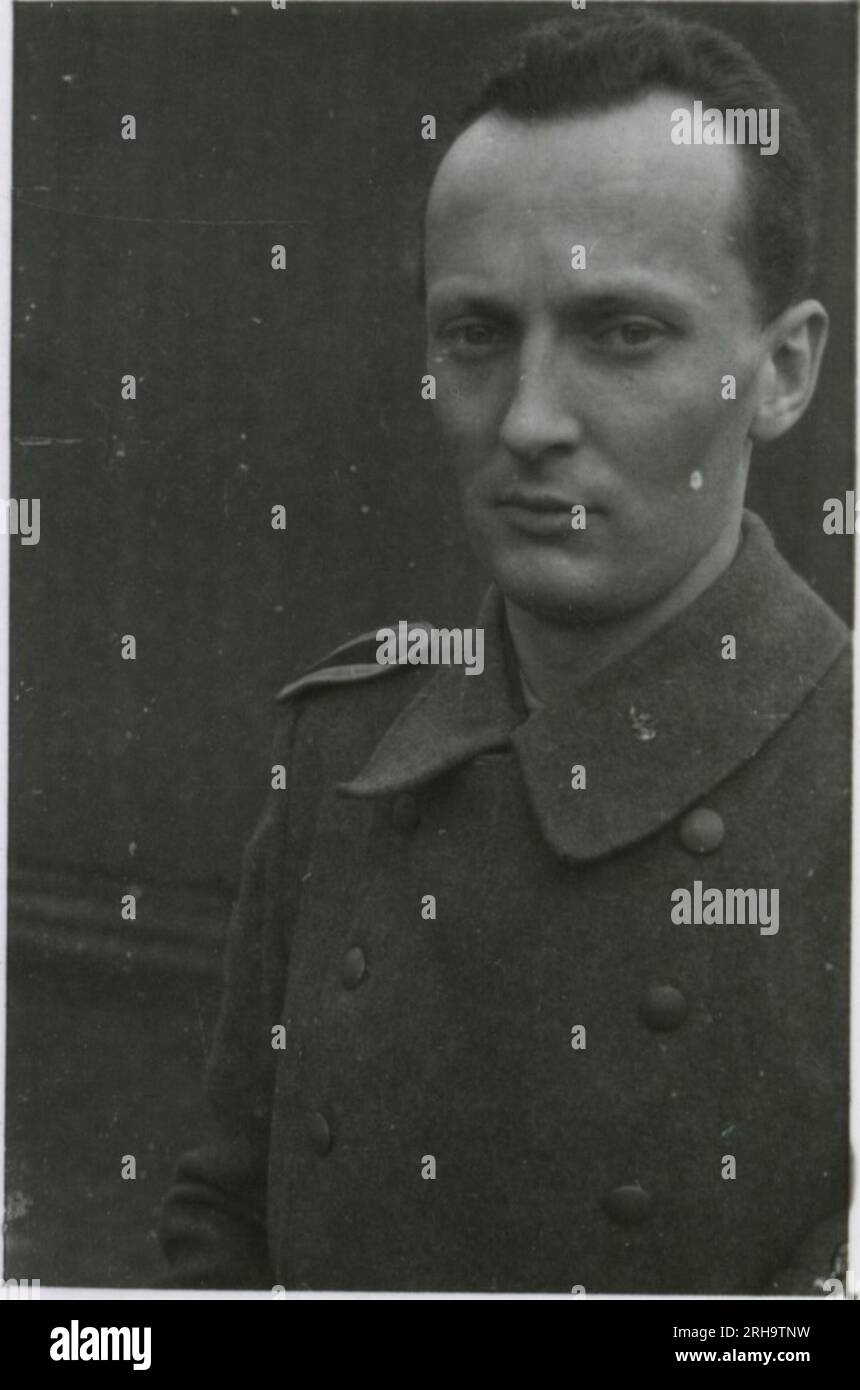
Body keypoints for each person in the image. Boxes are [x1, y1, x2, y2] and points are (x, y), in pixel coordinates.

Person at [159, 8, 851, 1294]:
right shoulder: (345, 740)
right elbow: (224, 1213)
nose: (528, 421)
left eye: (621, 333)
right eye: (475, 334)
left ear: (780, 371)